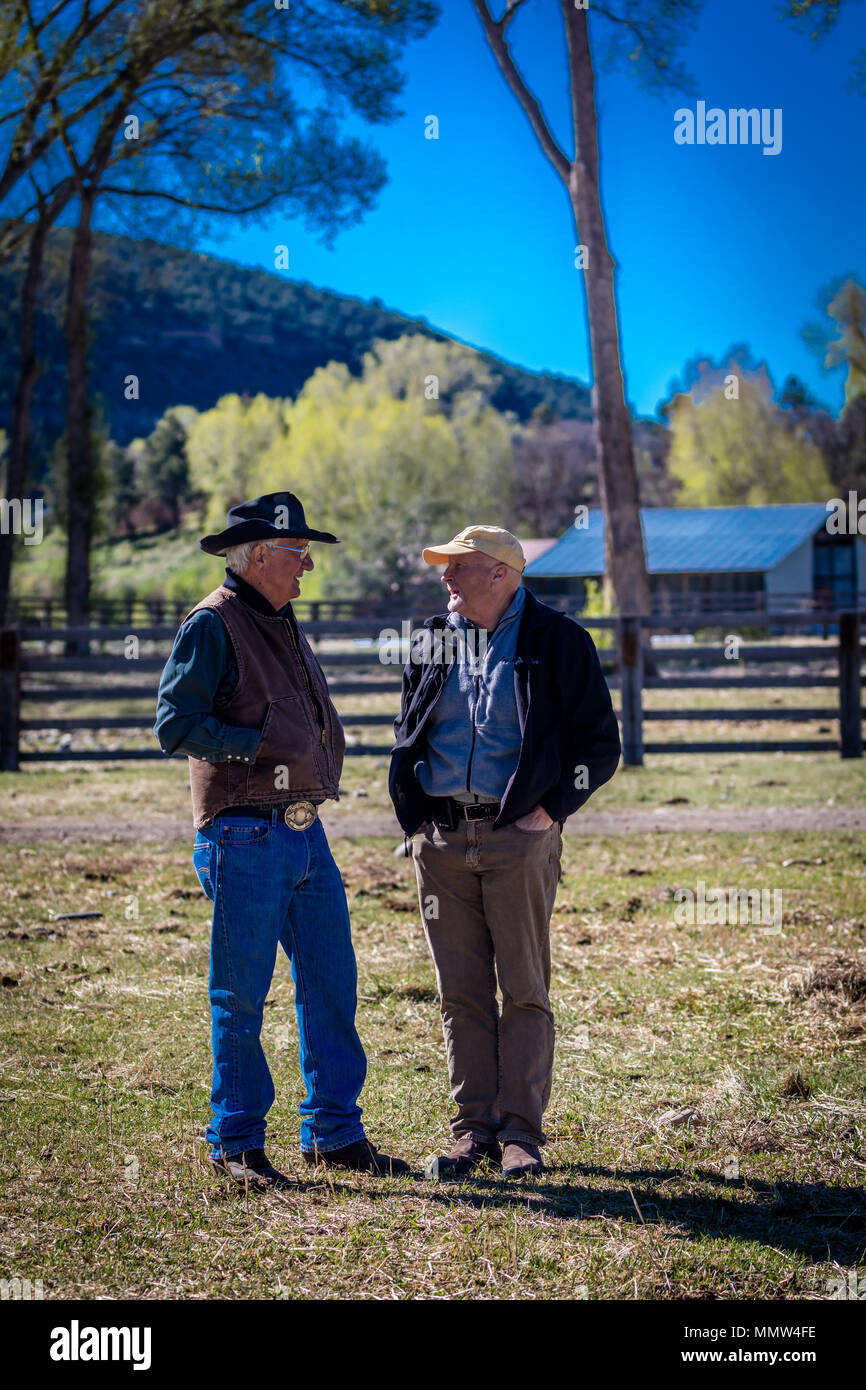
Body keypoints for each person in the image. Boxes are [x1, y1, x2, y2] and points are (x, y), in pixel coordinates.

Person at [154, 492, 408, 1188]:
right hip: (243, 833)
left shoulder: (278, 615)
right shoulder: (211, 623)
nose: (307, 570)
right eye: (299, 556)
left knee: (331, 981)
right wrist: (257, 745)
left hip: (301, 831)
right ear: (260, 555)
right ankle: (236, 1144)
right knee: (240, 995)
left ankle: (334, 1132)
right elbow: (174, 725)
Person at [389, 525, 620, 1180]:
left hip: (519, 839)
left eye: (456, 567)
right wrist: (415, 818)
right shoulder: (431, 639)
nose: (444, 579)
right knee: (459, 992)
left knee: (522, 988)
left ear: (500, 573)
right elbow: (410, 726)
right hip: (439, 840)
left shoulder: (559, 642)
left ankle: (521, 1134)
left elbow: (599, 746)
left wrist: (548, 813)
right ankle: (473, 1133)